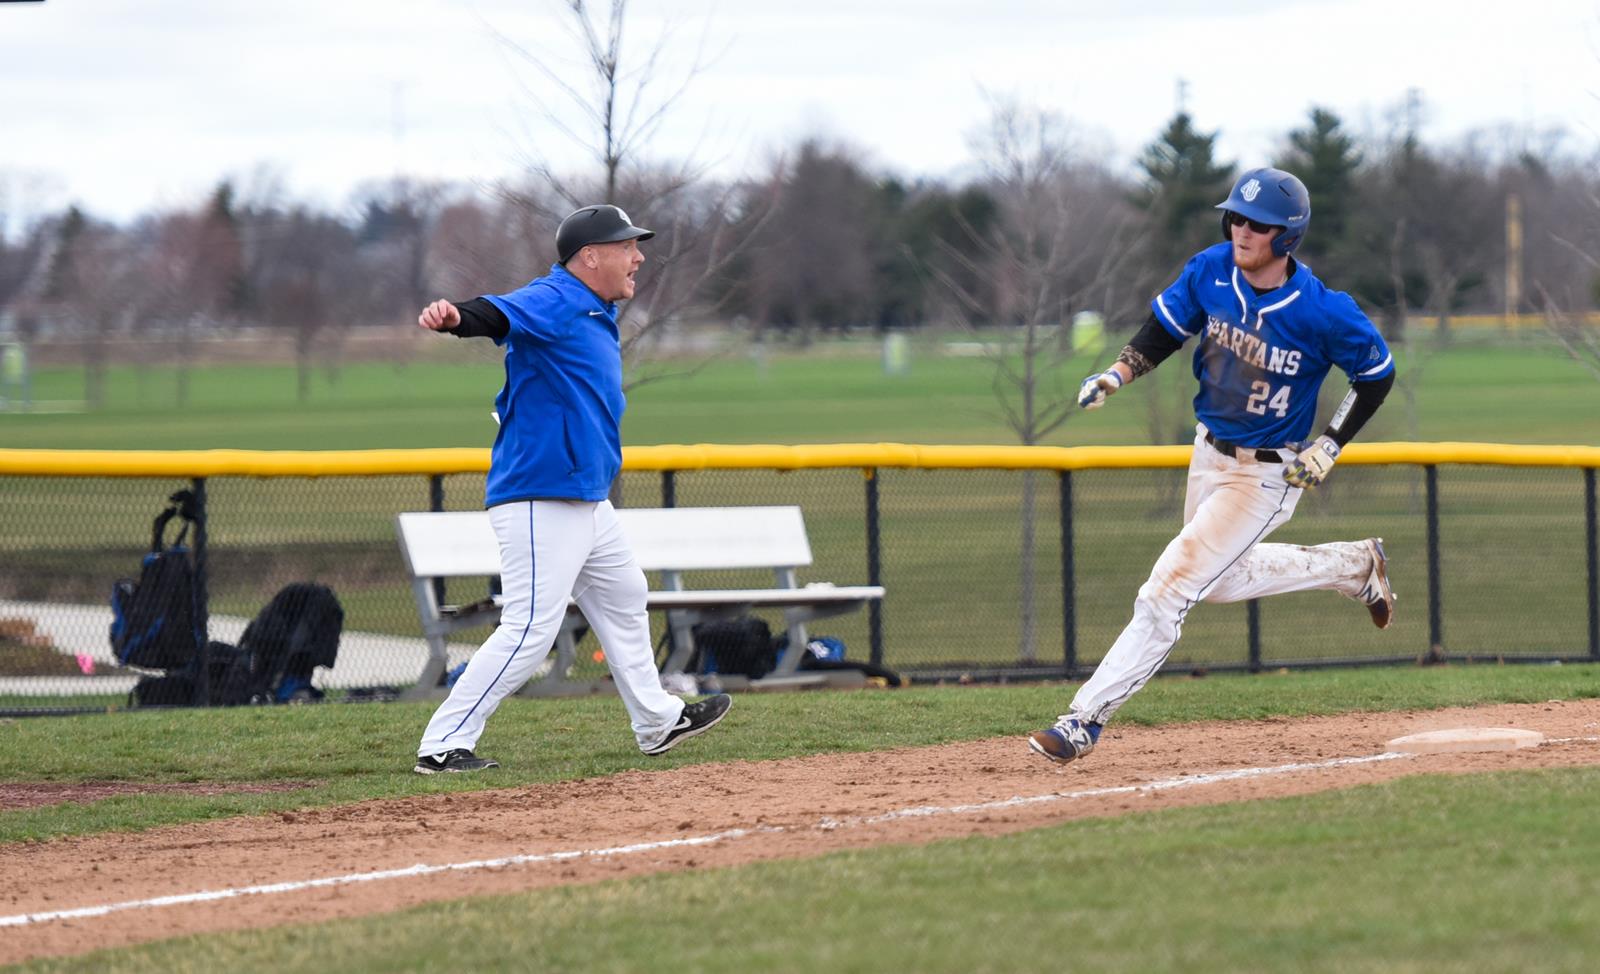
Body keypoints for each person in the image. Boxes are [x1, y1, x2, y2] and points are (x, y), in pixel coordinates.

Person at [1028, 167, 1397, 765]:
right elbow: (1164, 330)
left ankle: (1083, 719)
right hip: (1208, 454)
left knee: (1167, 589)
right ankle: (1354, 565)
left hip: (1264, 475)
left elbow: (1376, 375)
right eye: (1236, 218)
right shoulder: (1211, 270)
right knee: (1217, 580)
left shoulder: (1323, 311)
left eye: (1258, 224)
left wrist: (1330, 443)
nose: (1241, 230)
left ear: (1287, 236)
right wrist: (1116, 374)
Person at [413, 203, 732, 774]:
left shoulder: (594, 309)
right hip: (542, 495)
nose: (638, 257)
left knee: (625, 596)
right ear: (589, 257)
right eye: (626, 247)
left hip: (582, 496)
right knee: (530, 630)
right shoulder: (558, 297)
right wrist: (457, 317)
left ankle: (657, 721)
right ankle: (442, 744)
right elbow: (499, 313)